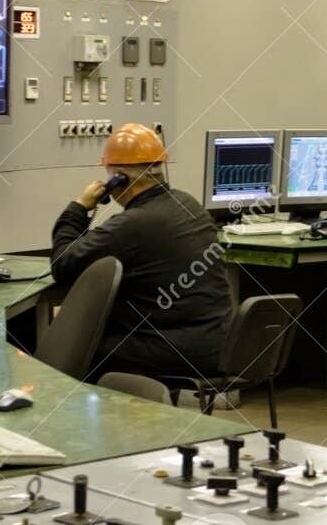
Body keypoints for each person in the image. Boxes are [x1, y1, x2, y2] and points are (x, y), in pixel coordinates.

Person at [50, 123, 231, 379]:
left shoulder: (134, 223)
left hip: (175, 349)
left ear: (118, 178)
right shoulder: (188, 203)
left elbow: (63, 265)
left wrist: (79, 208)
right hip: (215, 342)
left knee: (74, 349)